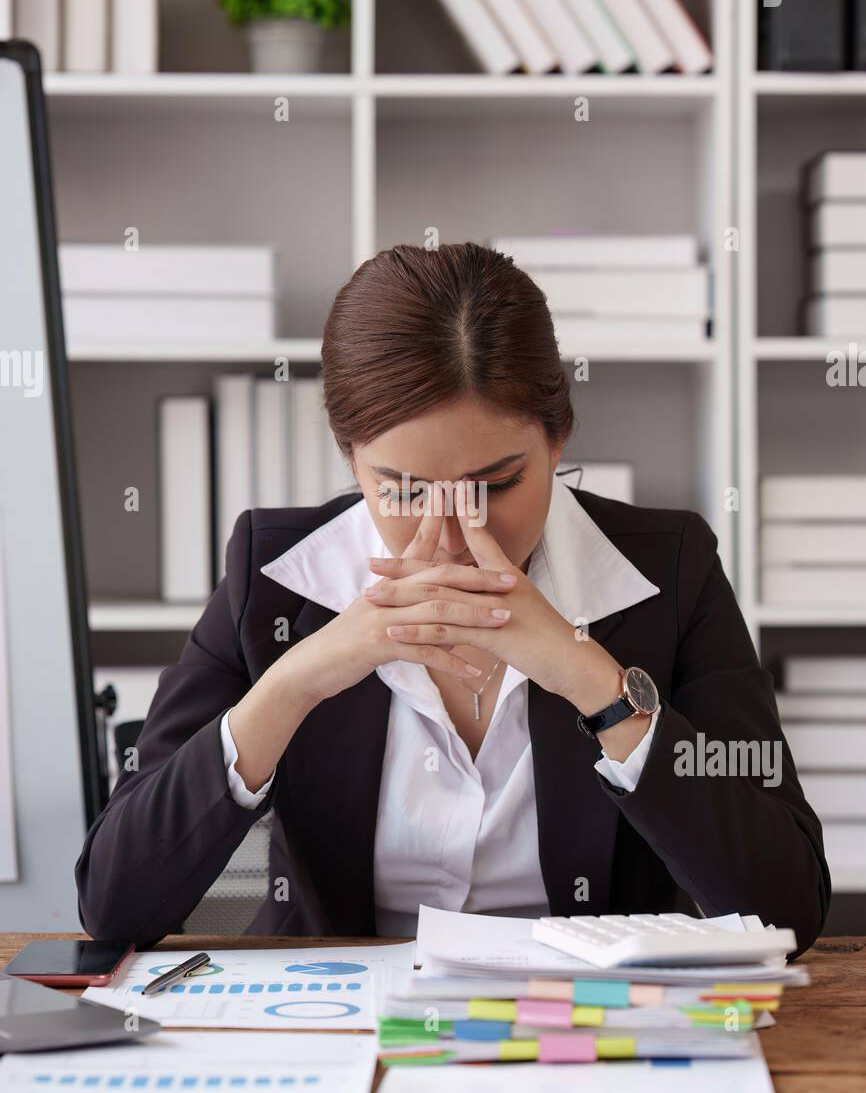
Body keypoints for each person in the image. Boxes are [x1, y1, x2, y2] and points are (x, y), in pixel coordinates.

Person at [75, 242, 830, 953]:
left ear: (558, 439)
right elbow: (113, 901)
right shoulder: (271, 574)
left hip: (588, 1037)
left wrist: (590, 681)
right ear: (350, 456)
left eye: (495, 484)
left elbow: (787, 907)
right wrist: (300, 678)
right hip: (343, 1029)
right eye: (402, 489)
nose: (452, 528)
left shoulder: (670, 569)